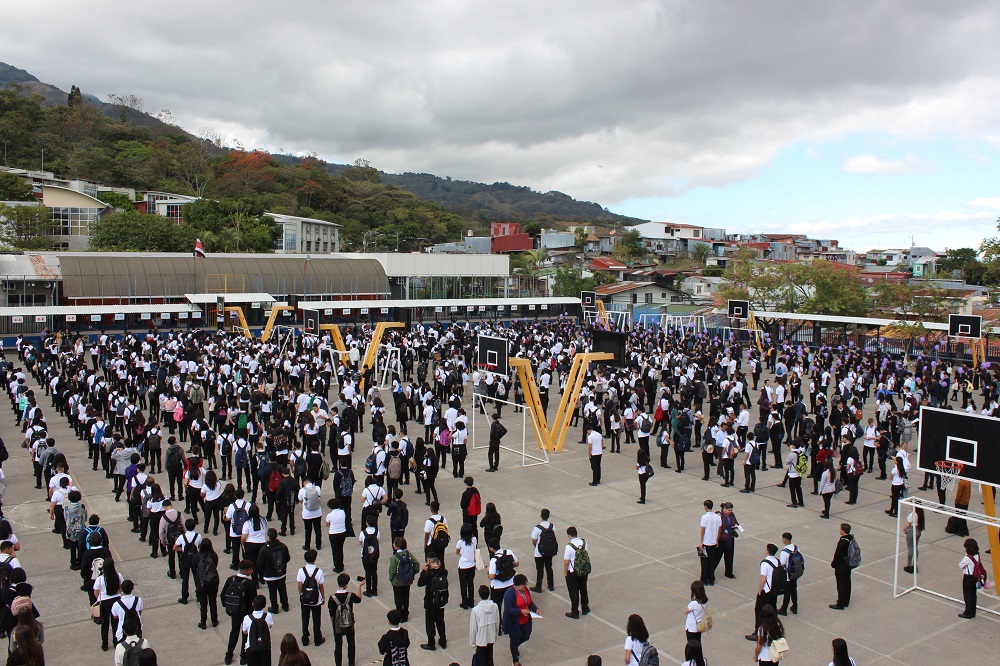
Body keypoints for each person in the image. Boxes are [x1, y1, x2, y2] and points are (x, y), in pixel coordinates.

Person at [223, 560, 258, 665]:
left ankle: (229, 655)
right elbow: (254, 600)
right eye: (251, 569)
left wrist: (229, 607)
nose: (252, 571)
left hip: (234, 612)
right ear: (246, 571)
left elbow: (223, 595)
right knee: (245, 634)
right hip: (246, 613)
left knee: (234, 632)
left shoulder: (230, 579)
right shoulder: (250, 583)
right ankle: (244, 657)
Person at [327, 572, 363, 666]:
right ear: (347, 584)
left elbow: (331, 614)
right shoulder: (350, 596)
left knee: (338, 646)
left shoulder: (332, 598)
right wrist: (359, 586)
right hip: (349, 623)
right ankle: (351, 663)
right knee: (351, 644)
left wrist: (334, 625)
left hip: (338, 625)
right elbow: (359, 599)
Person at [746, 544, 780, 640]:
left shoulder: (765, 563)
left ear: (767, 551)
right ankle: (773, 630)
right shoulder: (777, 561)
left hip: (766, 590)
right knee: (772, 610)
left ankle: (758, 633)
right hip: (774, 590)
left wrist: (759, 591)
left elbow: (763, 578)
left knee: (759, 611)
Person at [417, 554, 449, 651]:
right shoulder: (443, 572)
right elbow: (442, 571)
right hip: (441, 601)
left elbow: (420, 583)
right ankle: (443, 641)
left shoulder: (429, 574)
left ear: (429, 563)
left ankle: (431, 643)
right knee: (440, 621)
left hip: (431, 602)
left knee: (430, 623)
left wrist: (423, 571)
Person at [296, 549, 326, 647]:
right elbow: (321, 586)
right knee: (316, 619)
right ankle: (317, 638)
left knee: (305, 619)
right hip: (316, 599)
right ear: (315, 559)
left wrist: (301, 594)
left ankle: (305, 638)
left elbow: (299, 585)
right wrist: (323, 597)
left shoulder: (301, 571)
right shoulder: (319, 571)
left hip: (305, 599)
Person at [258, 528, 291, 614]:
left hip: (269, 575)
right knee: (283, 589)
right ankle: (285, 605)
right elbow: (287, 558)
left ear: (268, 536)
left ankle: (274, 608)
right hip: (281, 572)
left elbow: (260, 563)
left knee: (272, 591)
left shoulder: (264, 549)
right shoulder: (283, 546)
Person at [487, 538, 518, 623]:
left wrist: (488, 571)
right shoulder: (509, 552)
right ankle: (511, 623)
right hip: (510, 583)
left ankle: (499, 627)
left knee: (497, 607)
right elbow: (516, 563)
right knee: (511, 605)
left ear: (491, 548)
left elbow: (491, 576)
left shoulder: (493, 560)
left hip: (498, 587)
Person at [389, 537, 420, 621]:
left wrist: (392, 579)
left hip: (398, 582)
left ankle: (399, 616)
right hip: (407, 581)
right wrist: (413, 573)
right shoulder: (408, 554)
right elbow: (416, 563)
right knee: (406, 598)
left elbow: (392, 571)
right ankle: (405, 614)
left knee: (398, 599)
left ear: (397, 546)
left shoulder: (394, 558)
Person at [173, 518, 203, 605]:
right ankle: (199, 597)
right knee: (197, 578)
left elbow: (174, 547)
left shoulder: (182, 536)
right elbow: (200, 547)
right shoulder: (198, 536)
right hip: (195, 558)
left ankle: (184, 598)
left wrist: (182, 549)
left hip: (185, 559)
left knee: (185, 579)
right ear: (194, 526)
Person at [469, 585, 500, 666]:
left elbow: (473, 628)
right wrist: (495, 635)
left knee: (481, 661)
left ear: (479, 595)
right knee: (490, 658)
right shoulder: (495, 606)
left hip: (480, 640)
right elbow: (497, 622)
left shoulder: (475, 610)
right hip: (491, 638)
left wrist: (473, 642)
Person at [563, 526, 590, 619]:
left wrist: (565, 574)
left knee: (574, 592)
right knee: (583, 589)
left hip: (573, 572)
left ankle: (575, 612)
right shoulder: (584, 542)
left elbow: (566, 562)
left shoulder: (569, 546)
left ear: (569, 535)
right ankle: (585, 608)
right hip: (584, 570)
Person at [240, 595, 274, 666]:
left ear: (253, 604)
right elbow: (270, 626)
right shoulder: (268, 616)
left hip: (251, 648)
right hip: (265, 647)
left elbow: (244, 631)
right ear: (264, 606)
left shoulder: (246, 618)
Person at [530, 509, 557, 593]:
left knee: (540, 570)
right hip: (549, 551)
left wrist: (536, 546)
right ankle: (551, 585)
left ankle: (538, 586)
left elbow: (534, 540)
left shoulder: (537, 528)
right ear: (548, 516)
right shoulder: (552, 526)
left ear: (541, 516)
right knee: (549, 568)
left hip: (539, 552)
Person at [830, 523, 856, 610]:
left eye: (840, 529)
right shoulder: (851, 539)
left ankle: (840, 603)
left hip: (841, 566)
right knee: (847, 582)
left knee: (840, 584)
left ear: (843, 530)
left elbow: (837, 554)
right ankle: (846, 601)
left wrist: (834, 564)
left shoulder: (842, 541)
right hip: (849, 565)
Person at [698, 500, 722, 586]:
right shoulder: (717, 517)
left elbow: (703, 530)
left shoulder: (704, 517)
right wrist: (717, 540)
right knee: (712, 561)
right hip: (713, 543)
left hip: (706, 542)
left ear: (705, 507)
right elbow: (719, 530)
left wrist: (701, 542)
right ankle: (711, 579)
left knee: (704, 561)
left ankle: (704, 579)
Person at [959, 537, 984, 619]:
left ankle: (968, 613)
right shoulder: (977, 555)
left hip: (968, 577)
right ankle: (973, 612)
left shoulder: (968, 558)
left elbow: (961, 565)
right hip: (975, 577)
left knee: (967, 595)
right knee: (973, 594)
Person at [455, 524, 478, 609]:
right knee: (470, 583)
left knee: (463, 585)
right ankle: (471, 601)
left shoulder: (460, 542)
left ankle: (464, 602)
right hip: (472, 565)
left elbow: (457, 552)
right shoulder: (474, 540)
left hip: (463, 566)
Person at [777, 533, 800, 616]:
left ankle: (784, 609)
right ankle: (794, 606)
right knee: (794, 589)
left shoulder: (784, 552)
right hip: (795, 573)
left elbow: (782, 564)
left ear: (785, 540)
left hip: (788, 575)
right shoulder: (796, 548)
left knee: (787, 591)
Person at [684, 580, 708, 644]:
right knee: (698, 643)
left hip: (692, 627)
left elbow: (685, 611)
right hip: (699, 626)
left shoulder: (693, 604)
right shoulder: (705, 601)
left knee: (691, 644)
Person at [903, 507, 924, 574]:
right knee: (915, 547)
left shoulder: (913, 514)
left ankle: (909, 566)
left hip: (912, 530)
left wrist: (904, 529)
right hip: (918, 530)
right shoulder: (920, 514)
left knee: (910, 548)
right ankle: (915, 564)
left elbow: (908, 524)